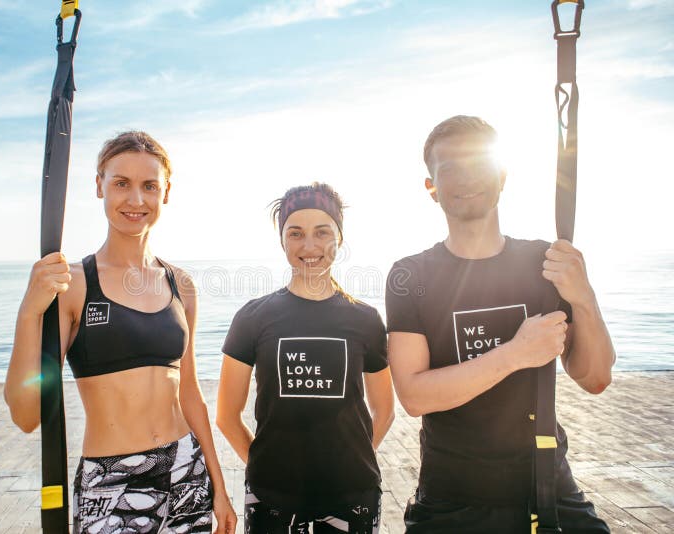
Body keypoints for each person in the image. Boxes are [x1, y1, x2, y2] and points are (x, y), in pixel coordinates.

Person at [386, 115, 614, 533]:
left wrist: (583, 297)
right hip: (450, 499)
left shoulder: (546, 261)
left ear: (502, 175)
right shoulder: (410, 276)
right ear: (431, 188)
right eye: (448, 167)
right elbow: (415, 396)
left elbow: (596, 377)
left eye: (478, 163)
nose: (465, 177)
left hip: (547, 488)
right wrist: (514, 354)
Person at [4, 131, 236, 533]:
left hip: (186, 472)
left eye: (149, 186)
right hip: (109, 482)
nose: (136, 200)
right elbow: (26, 416)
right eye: (121, 184)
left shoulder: (180, 284)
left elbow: (190, 394)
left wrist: (218, 485)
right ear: (99, 186)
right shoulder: (73, 284)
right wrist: (29, 311)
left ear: (165, 193)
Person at [216, 182, 395, 533]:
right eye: (295, 233)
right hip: (272, 498)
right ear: (282, 240)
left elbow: (385, 410)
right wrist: (263, 466)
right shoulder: (253, 317)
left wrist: (353, 458)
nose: (309, 246)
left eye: (322, 232)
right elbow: (226, 416)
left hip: (353, 496)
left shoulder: (366, 319)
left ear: (339, 239)